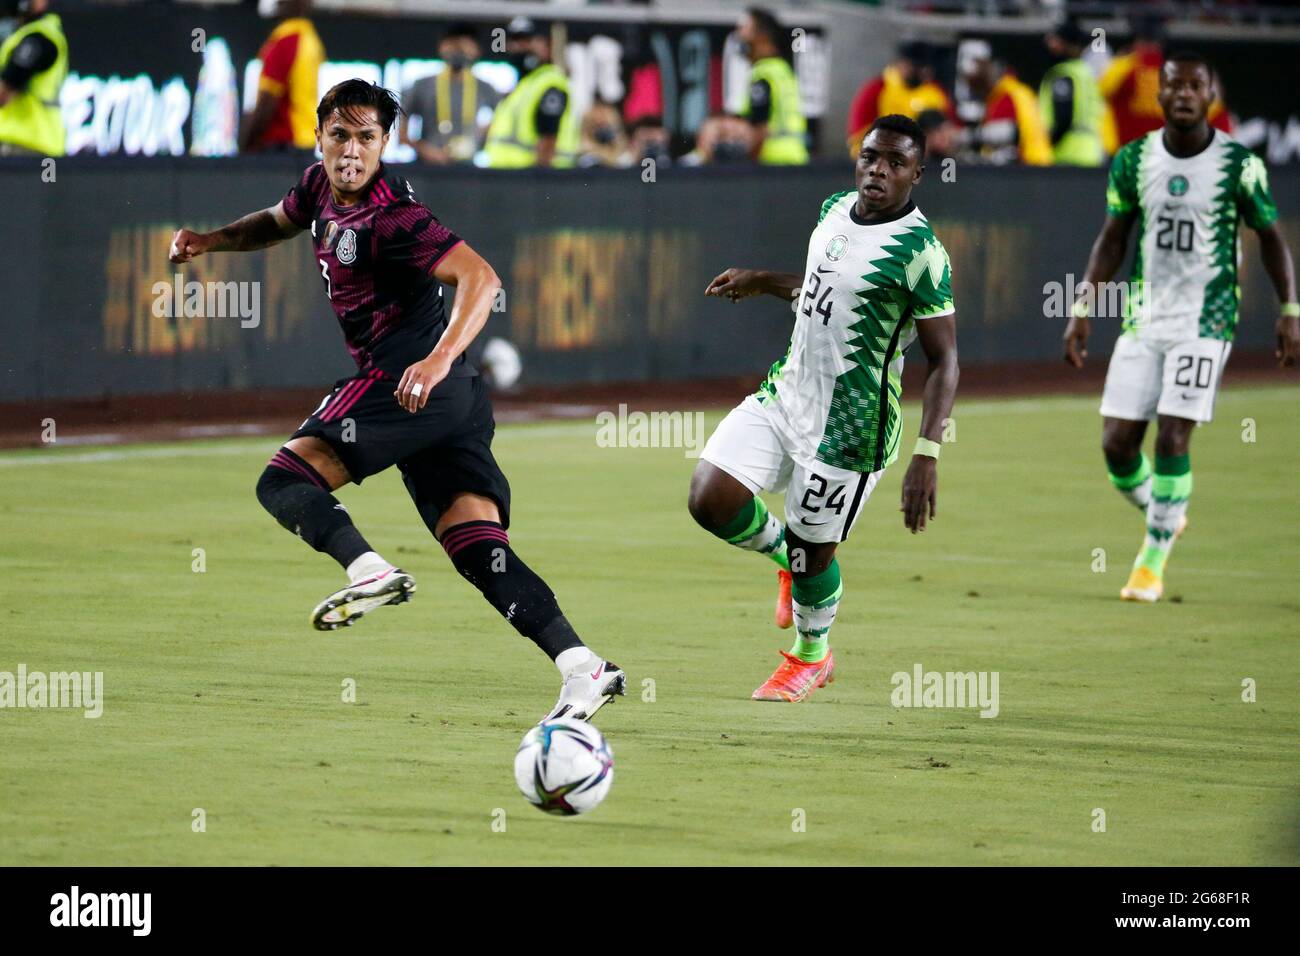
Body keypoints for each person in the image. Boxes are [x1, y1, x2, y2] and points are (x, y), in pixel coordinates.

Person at [168, 80, 625, 721]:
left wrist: (434, 360)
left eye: (366, 138)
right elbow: (277, 222)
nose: (351, 151)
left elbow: (482, 278)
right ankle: (583, 667)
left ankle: (368, 571)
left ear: (387, 143)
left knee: (283, 481)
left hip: (411, 383)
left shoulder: (394, 216)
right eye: (340, 136)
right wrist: (211, 241)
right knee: (478, 549)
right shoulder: (317, 187)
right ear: (319, 135)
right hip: (449, 400)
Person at [689, 114, 959, 703]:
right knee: (710, 497)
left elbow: (946, 359)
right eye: (869, 157)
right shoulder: (834, 209)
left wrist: (928, 453)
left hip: (853, 425)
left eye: (894, 163)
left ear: (918, 172)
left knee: (816, 557)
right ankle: (784, 553)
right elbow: (822, 286)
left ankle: (812, 657)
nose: (877, 171)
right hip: (787, 393)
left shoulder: (922, 254)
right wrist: (763, 280)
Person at [1063, 52, 1298, 603]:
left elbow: (1272, 238)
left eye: (1197, 86)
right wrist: (1082, 305)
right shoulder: (1133, 160)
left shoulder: (1240, 165)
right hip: (1143, 318)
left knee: (1172, 434)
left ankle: (1152, 557)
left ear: (1211, 95)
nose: (1186, 94)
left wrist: (1290, 308)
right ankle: (1166, 512)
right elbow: (1113, 237)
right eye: (1175, 86)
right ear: (1161, 96)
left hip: (1207, 319)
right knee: (1118, 446)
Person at [1099, 20, 1231, 156]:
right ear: (1161, 44)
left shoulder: (1121, 67)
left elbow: (1098, 94)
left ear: (1136, 41)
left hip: (1125, 156)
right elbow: (1215, 112)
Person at [484, 17, 578, 169]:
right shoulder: (525, 84)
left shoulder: (550, 83)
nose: (519, 47)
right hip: (509, 178)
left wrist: (537, 183)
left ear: (546, 45)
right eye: (515, 41)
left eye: (527, 40)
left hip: (534, 179)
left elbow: (548, 139)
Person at [401, 22, 498, 165]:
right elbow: (400, 128)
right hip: (427, 166)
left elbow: (502, 117)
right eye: (453, 46)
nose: (458, 52)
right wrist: (425, 149)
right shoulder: (422, 85)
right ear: (442, 48)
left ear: (476, 50)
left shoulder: (484, 87)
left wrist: (480, 136)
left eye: (464, 47)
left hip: (467, 166)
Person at [240, 0, 324, 153]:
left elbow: (267, 101)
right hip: (305, 142)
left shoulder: (287, 40)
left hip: (284, 144)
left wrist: (246, 144)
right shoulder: (310, 37)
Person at [845, 41, 954, 157]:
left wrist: (941, 138)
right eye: (917, 67)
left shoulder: (936, 91)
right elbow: (857, 139)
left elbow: (952, 129)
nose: (924, 73)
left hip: (931, 164)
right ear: (901, 64)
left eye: (927, 67)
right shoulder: (877, 90)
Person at [957, 39, 1051, 166]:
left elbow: (1009, 134)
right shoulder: (1012, 91)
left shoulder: (1007, 96)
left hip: (1029, 167)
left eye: (973, 82)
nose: (972, 88)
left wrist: (966, 137)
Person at [736, 6, 808, 166]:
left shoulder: (763, 74)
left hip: (771, 163)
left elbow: (760, 129)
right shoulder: (783, 70)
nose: (739, 35)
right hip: (796, 158)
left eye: (744, 29)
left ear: (762, 35)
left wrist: (746, 165)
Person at [0, 0, 66, 156]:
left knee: (45, 180)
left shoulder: (39, 39)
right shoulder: (21, 34)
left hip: (29, 145)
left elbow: (4, 93)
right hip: (32, 143)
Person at [1039, 20, 1104, 167]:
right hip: (1091, 152)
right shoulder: (1085, 72)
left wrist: (1047, 143)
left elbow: (1063, 118)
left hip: (1068, 154)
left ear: (1068, 43)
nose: (1050, 44)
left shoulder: (1064, 74)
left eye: (1055, 40)